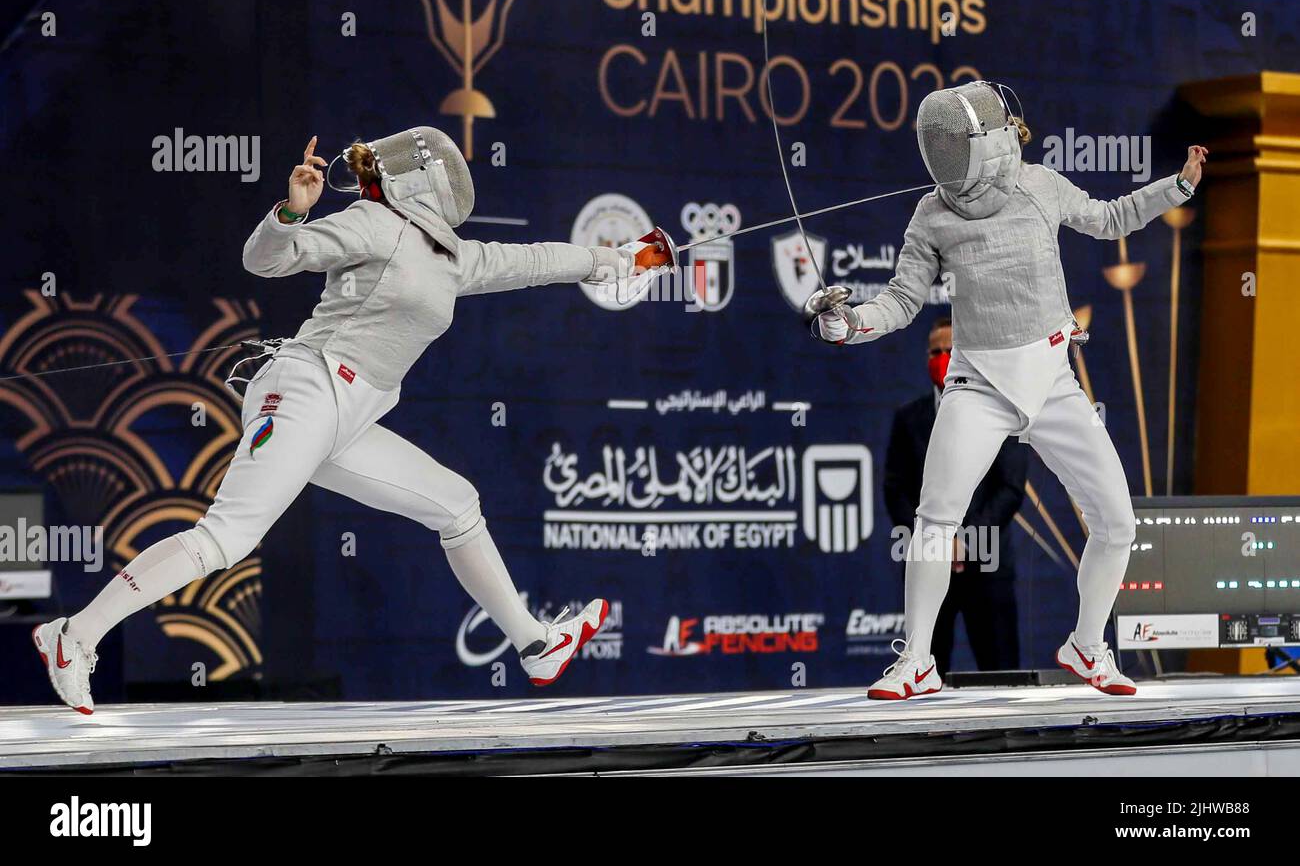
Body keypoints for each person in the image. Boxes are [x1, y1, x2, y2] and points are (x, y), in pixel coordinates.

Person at [34, 128, 660, 714]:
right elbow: (269, 260)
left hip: (348, 416)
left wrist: (624, 260)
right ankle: (75, 635)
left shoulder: (451, 258)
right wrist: (289, 214)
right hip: (306, 388)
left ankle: (534, 645)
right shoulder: (373, 222)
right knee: (228, 538)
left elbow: (533, 262)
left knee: (457, 505)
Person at [809, 81, 1207, 698]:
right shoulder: (932, 214)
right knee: (935, 518)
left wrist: (1176, 187)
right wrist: (851, 323)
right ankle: (917, 660)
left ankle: (1087, 645)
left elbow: (1108, 219)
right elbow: (903, 299)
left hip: (1052, 379)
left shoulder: (1041, 185)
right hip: (979, 385)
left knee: (1118, 522)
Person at [883, 316, 1026, 676]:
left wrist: (964, 541)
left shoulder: (1003, 411)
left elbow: (1009, 488)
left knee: (1001, 675)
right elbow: (895, 488)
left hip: (987, 563)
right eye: (936, 351)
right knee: (921, 671)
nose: (943, 357)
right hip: (928, 564)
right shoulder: (908, 418)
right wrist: (933, 542)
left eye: (951, 350)